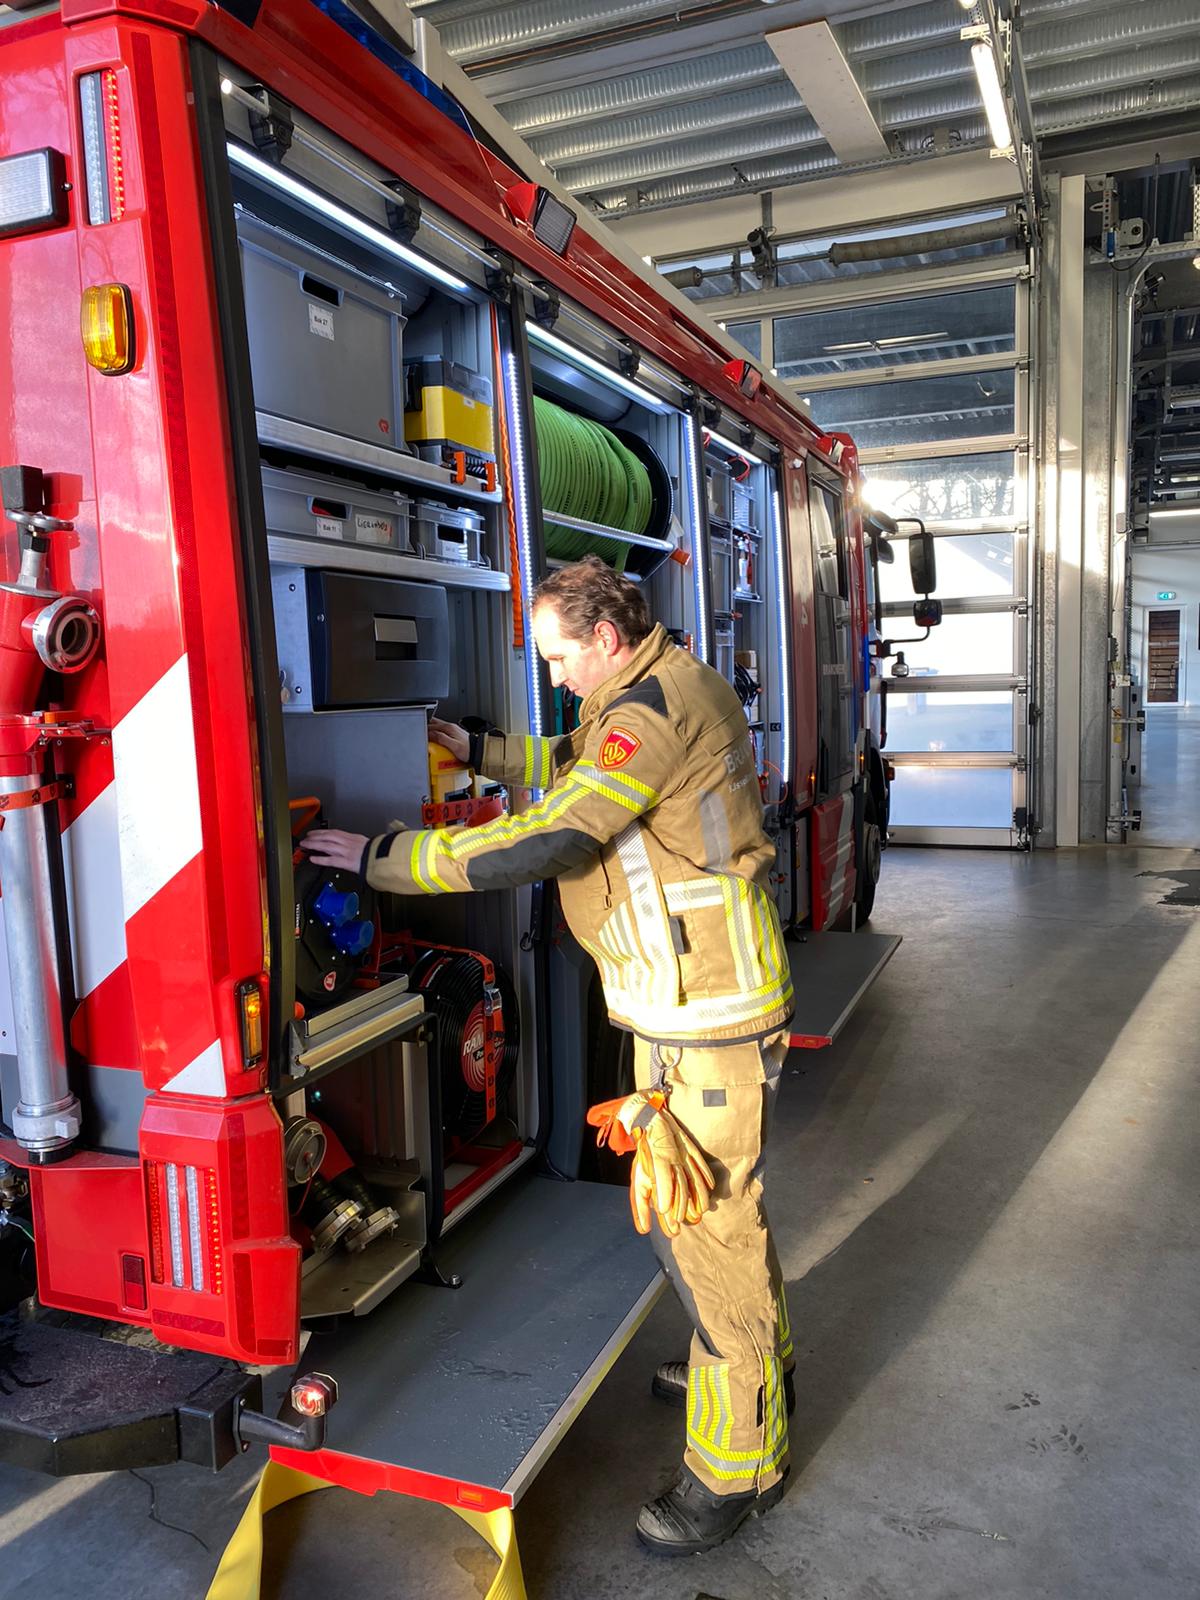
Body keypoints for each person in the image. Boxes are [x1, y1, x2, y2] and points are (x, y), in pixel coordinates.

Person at [303, 554, 796, 1555]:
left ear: (605, 640)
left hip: (705, 1006)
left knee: (707, 1232)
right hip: (684, 999)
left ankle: (736, 1465)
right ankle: (748, 1361)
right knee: (711, 1217)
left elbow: (557, 834)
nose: (558, 672)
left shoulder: (648, 710)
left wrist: (383, 858)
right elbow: (569, 758)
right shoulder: (644, 687)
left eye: (561, 655)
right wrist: (477, 747)